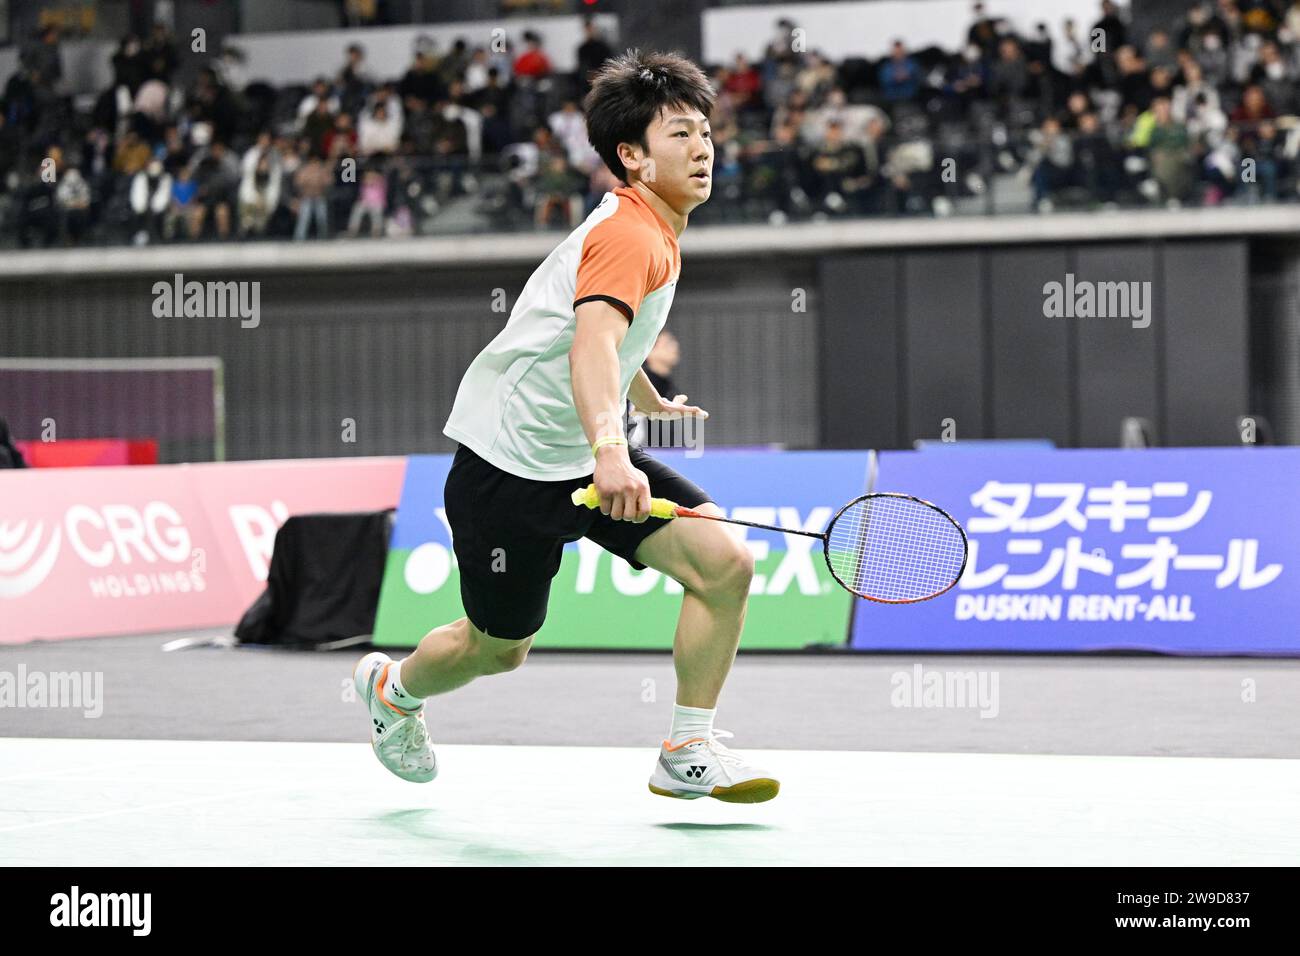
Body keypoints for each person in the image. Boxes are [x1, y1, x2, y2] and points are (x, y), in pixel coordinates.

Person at [352, 51, 779, 804]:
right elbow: (590, 343)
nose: (704, 146)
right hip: (508, 469)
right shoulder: (633, 235)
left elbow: (611, 338)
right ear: (633, 157)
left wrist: (643, 401)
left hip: (579, 455)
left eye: (706, 131)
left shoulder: (655, 227)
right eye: (680, 134)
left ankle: (685, 748)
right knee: (498, 650)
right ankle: (394, 691)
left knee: (724, 564)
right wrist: (613, 450)